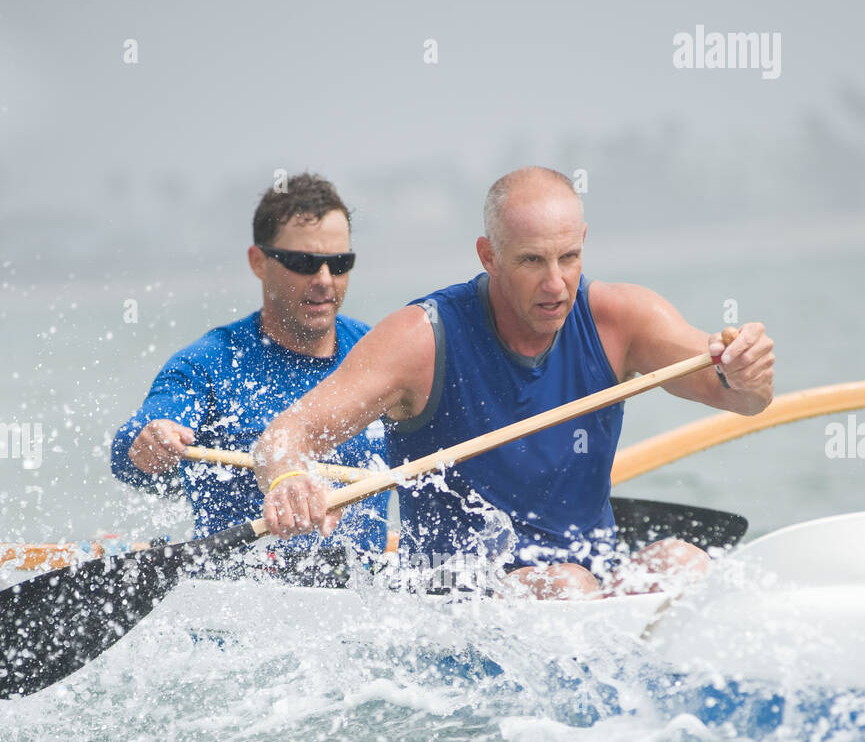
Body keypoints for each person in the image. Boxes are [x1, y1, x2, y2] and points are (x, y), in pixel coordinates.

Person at [250, 166, 775, 597]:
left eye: (568, 257)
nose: (555, 283)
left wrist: (747, 373)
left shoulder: (622, 317)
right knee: (569, 587)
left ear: (583, 244)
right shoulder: (421, 340)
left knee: (684, 561)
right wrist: (287, 481)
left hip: (582, 588)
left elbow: (741, 397)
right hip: (453, 595)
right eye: (531, 261)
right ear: (489, 256)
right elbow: (284, 436)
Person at [110, 172, 388, 583]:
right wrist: (150, 441)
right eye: (304, 263)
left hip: (366, 601)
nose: (325, 280)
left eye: (340, 262)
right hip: (243, 606)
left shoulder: (376, 351)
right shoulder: (210, 363)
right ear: (259, 262)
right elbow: (129, 451)